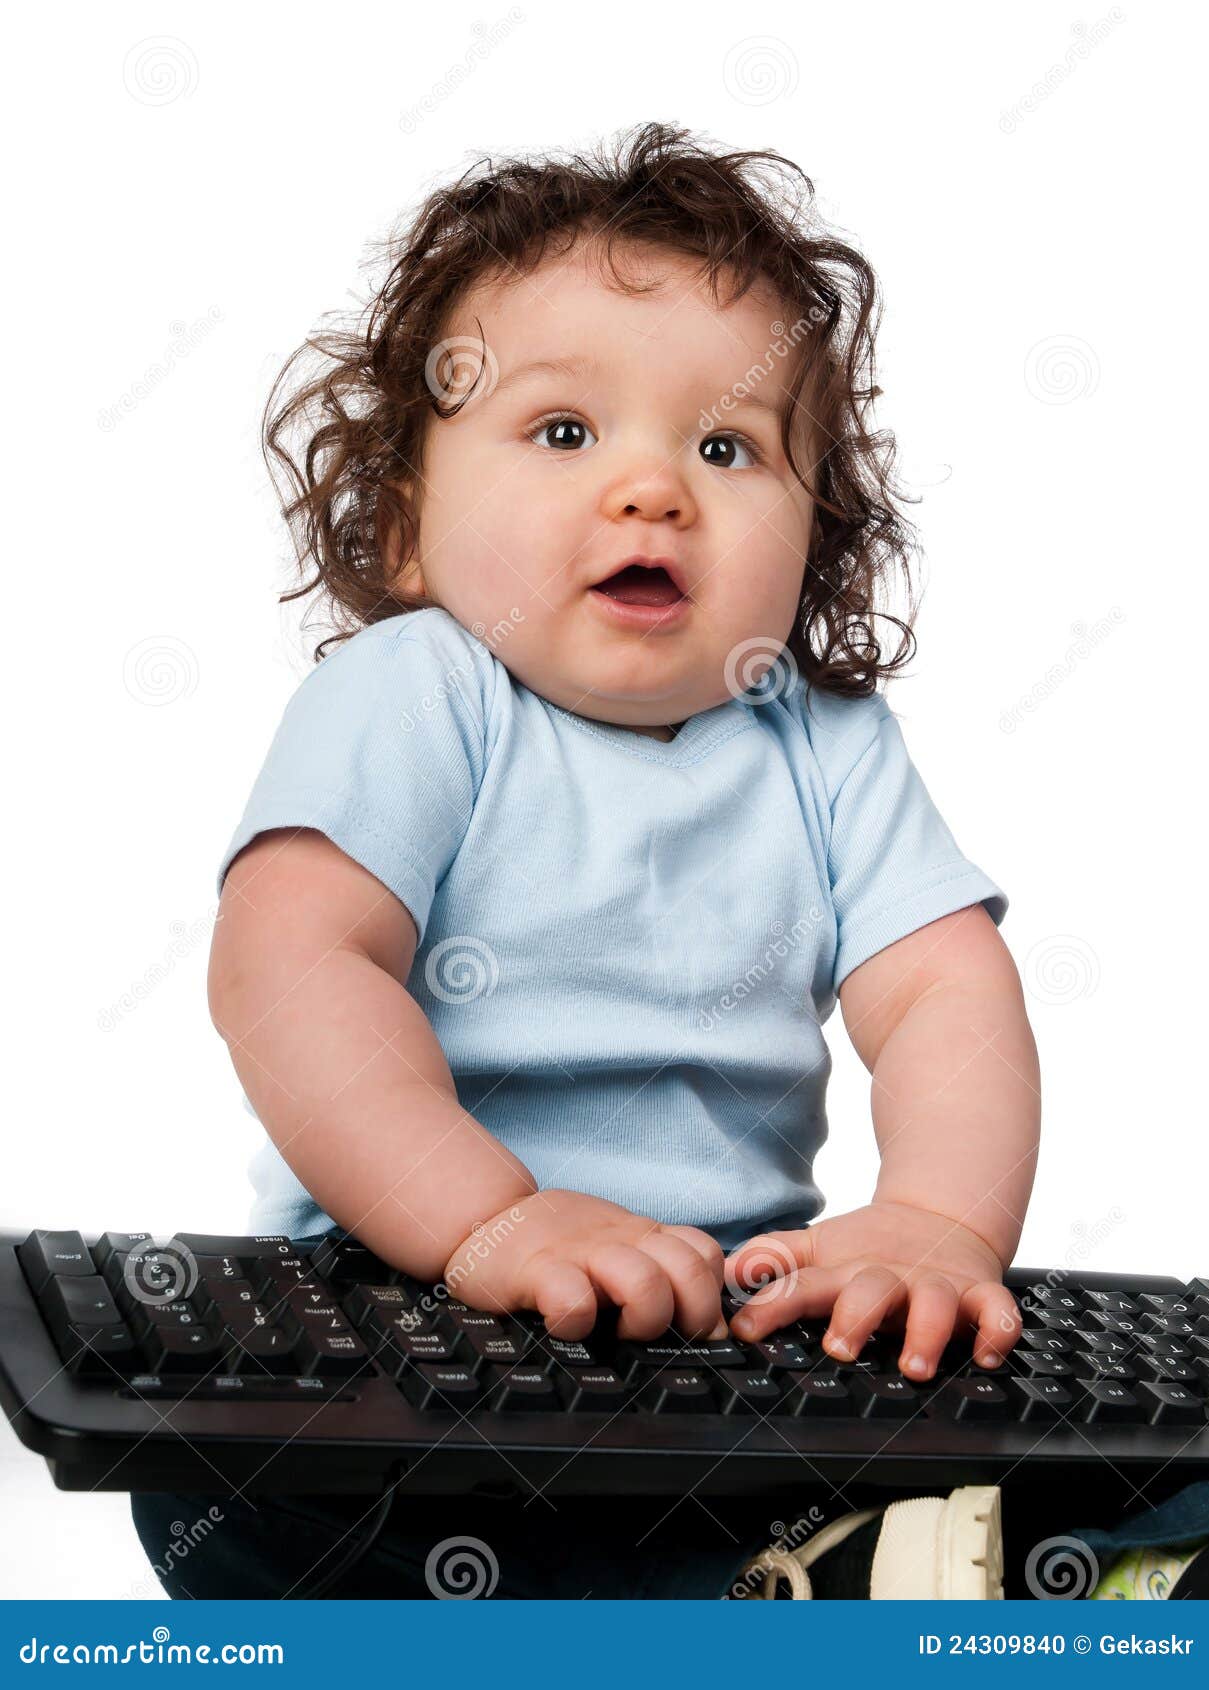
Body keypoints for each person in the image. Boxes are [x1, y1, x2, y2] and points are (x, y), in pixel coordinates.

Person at [132, 119, 1039, 1599]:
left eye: (730, 447)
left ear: (817, 538)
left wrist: (933, 1222)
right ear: (410, 526)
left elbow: (945, 989)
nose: (652, 490)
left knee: (1029, 1422)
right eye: (565, 433)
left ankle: (835, 1567)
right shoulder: (421, 691)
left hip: (723, 1329)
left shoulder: (823, 742)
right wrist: (484, 1214)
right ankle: (796, 1585)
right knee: (248, 1487)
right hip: (406, 1303)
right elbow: (294, 959)